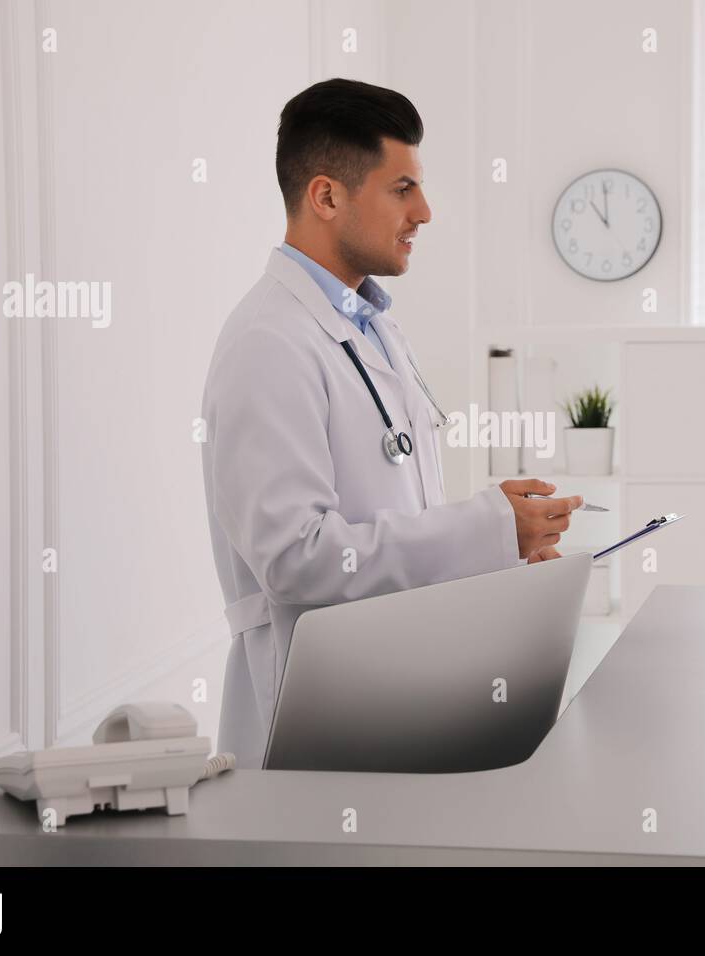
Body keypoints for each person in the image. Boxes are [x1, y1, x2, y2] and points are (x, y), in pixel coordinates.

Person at [201, 78, 581, 768]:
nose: (426, 212)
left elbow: (397, 512)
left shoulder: (369, 326)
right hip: (310, 706)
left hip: (387, 686)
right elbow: (296, 558)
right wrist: (486, 528)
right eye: (402, 189)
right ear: (326, 197)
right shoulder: (269, 341)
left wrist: (501, 543)